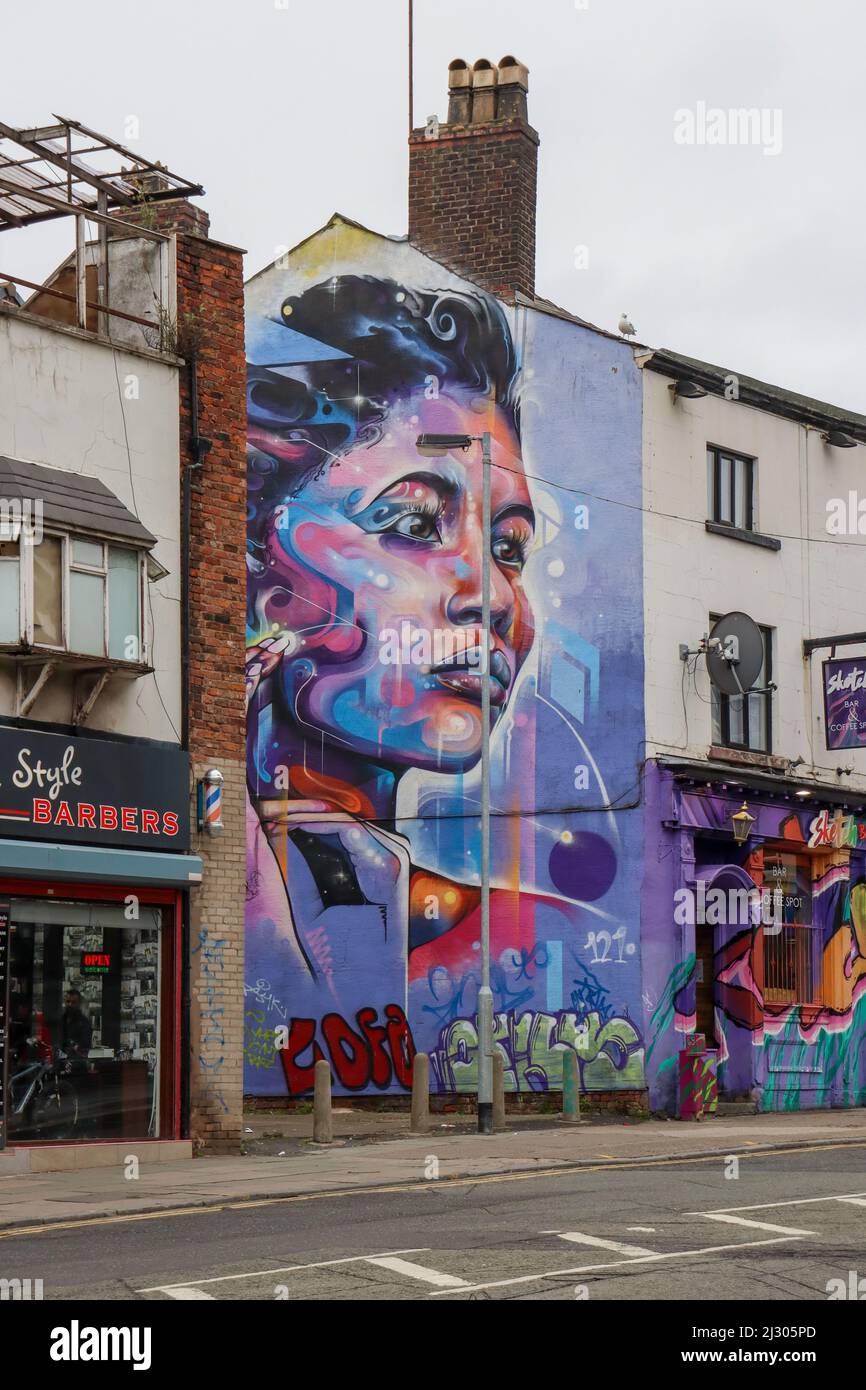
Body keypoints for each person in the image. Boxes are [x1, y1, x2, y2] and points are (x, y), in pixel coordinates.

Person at [61, 989, 92, 1069]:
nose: (70, 1004)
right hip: (60, 1064)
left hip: (77, 1066)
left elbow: (85, 1046)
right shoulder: (61, 1020)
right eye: (68, 1001)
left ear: (78, 1004)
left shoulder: (84, 1022)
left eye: (73, 1002)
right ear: (65, 1002)